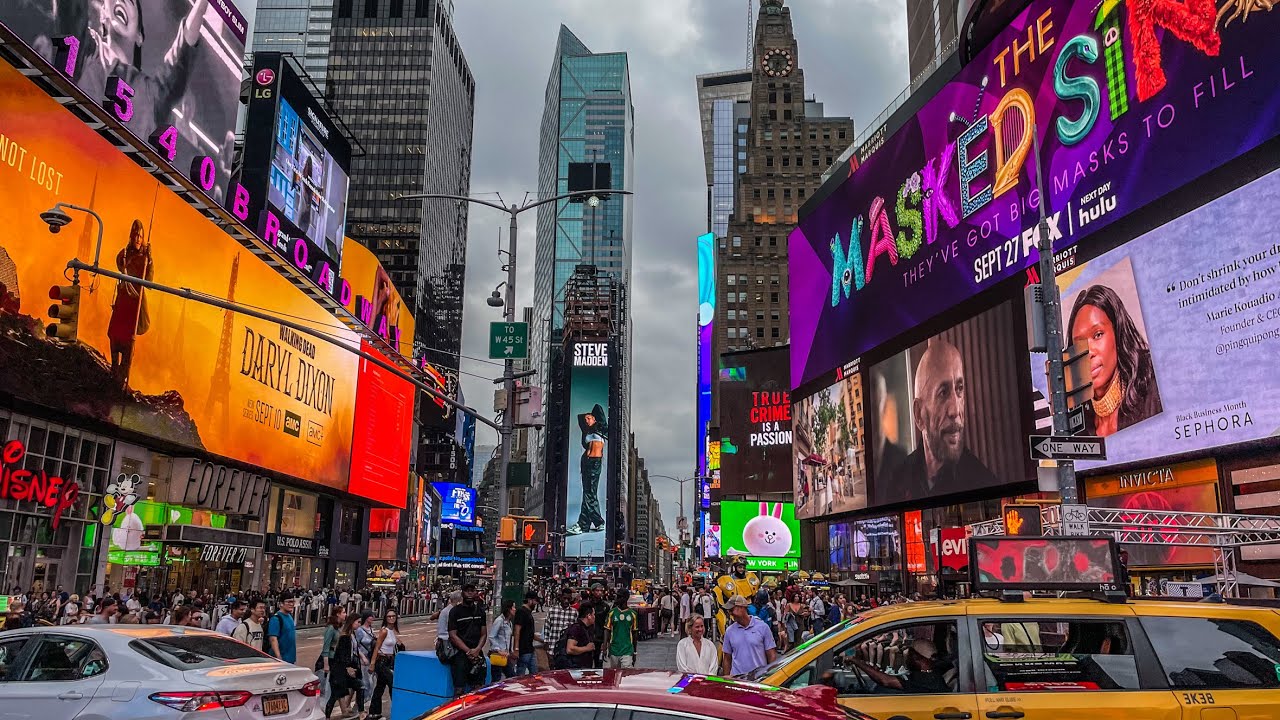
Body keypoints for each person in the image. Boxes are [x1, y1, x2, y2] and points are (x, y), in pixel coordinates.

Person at [887, 340, 999, 503]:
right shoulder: (896, 482)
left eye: (959, 389)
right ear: (919, 414)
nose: (955, 411)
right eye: (943, 393)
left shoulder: (985, 484)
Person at [1068, 285, 1163, 437]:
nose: (1088, 352)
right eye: (1079, 344)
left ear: (1118, 334)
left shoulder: (1155, 388)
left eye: (1098, 335)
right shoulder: (1078, 425)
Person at [107, 219, 154, 387]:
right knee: (113, 333)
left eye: (140, 236)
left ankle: (122, 377)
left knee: (129, 340)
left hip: (135, 303)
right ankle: (114, 368)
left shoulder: (146, 256)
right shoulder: (124, 254)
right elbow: (120, 267)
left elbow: (149, 280)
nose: (138, 238)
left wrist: (149, 260)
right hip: (123, 299)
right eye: (135, 235)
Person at [851, 638, 951, 694]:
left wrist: (855, 660)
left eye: (909, 655)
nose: (906, 657)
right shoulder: (932, 671)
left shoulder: (926, 680)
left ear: (916, 657)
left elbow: (885, 681)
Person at [568, 404, 608, 535]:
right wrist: (587, 419)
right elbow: (580, 419)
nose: (586, 420)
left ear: (595, 419)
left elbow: (598, 409)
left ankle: (588, 523)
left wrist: (594, 416)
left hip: (595, 463)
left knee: (589, 493)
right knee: (588, 492)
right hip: (586, 461)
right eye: (586, 419)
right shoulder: (588, 432)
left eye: (589, 418)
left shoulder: (601, 429)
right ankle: (588, 524)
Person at [720, 595, 776, 677]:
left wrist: (771, 676)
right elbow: (727, 658)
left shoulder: (762, 627)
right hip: (737, 679)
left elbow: (771, 655)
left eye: (732, 610)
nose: (731, 613)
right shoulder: (729, 631)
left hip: (758, 678)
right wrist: (726, 677)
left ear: (742, 608)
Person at [447, 584, 488, 696]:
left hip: (477, 654)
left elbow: (484, 633)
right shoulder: (455, 611)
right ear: (462, 593)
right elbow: (453, 635)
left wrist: (478, 649)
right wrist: (468, 651)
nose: (470, 593)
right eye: (467, 591)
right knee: (459, 690)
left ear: (476, 593)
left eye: (472, 590)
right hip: (461, 655)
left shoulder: (480, 611)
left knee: (479, 689)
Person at [324, 614, 364, 719]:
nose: (359, 624)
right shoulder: (345, 637)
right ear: (352, 622)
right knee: (335, 695)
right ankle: (327, 717)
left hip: (345, 670)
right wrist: (348, 668)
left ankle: (361, 712)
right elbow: (342, 655)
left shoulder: (352, 635)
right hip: (339, 671)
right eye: (358, 622)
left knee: (360, 686)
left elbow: (352, 653)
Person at [368, 610, 401, 718]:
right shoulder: (384, 631)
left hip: (388, 661)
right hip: (381, 662)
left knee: (380, 687)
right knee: (392, 683)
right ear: (385, 618)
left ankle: (374, 712)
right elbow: (377, 647)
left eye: (393, 616)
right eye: (389, 616)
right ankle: (397, 709)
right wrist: (372, 664)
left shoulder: (393, 630)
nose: (391, 618)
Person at [319, 607, 347, 713]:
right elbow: (326, 648)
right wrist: (326, 665)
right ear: (337, 614)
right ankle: (328, 711)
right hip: (331, 660)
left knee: (339, 684)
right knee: (333, 686)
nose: (345, 614)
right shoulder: (330, 628)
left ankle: (344, 709)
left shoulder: (338, 628)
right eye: (343, 612)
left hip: (337, 659)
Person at [603, 589, 638, 669]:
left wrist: (635, 652)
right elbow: (607, 630)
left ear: (625, 598)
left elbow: (635, 633)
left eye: (619, 597)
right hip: (614, 649)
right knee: (615, 673)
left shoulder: (633, 614)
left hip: (627, 650)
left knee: (627, 672)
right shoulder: (612, 613)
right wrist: (605, 647)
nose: (617, 599)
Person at [512, 591, 541, 676]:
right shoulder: (521, 612)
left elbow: (530, 633)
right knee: (521, 673)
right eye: (535, 601)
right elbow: (517, 631)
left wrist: (541, 640)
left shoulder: (528, 613)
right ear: (529, 600)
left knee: (535, 673)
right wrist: (516, 649)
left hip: (530, 649)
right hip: (523, 649)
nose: (536, 603)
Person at [543, 586, 577, 652]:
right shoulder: (552, 610)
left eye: (568, 599)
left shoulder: (574, 612)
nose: (566, 601)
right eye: (564, 598)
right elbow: (547, 627)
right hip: (553, 647)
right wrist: (546, 642)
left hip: (567, 649)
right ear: (561, 597)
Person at [488, 600, 516, 680]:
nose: (515, 609)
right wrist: (498, 650)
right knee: (497, 678)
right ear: (509, 609)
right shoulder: (499, 621)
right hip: (498, 655)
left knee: (511, 676)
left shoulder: (509, 622)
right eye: (513, 607)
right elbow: (492, 636)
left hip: (505, 655)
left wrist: (510, 651)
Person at [564, 605, 597, 669]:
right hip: (576, 668)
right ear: (589, 616)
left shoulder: (587, 628)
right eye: (594, 614)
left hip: (585, 667)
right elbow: (570, 649)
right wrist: (587, 648)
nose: (595, 617)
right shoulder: (576, 628)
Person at [353, 611, 377, 701]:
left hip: (371, 658)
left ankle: (363, 703)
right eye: (371, 616)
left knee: (371, 682)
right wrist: (362, 657)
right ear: (367, 618)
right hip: (363, 660)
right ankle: (361, 704)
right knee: (366, 683)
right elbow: (355, 646)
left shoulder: (371, 629)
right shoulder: (360, 630)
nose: (373, 618)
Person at [268, 595, 298, 664]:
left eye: (293, 602)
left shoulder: (290, 616)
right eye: (288, 602)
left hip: (290, 659)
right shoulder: (276, 619)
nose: (291, 604)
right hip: (280, 660)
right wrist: (278, 658)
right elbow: (273, 639)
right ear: (281, 604)